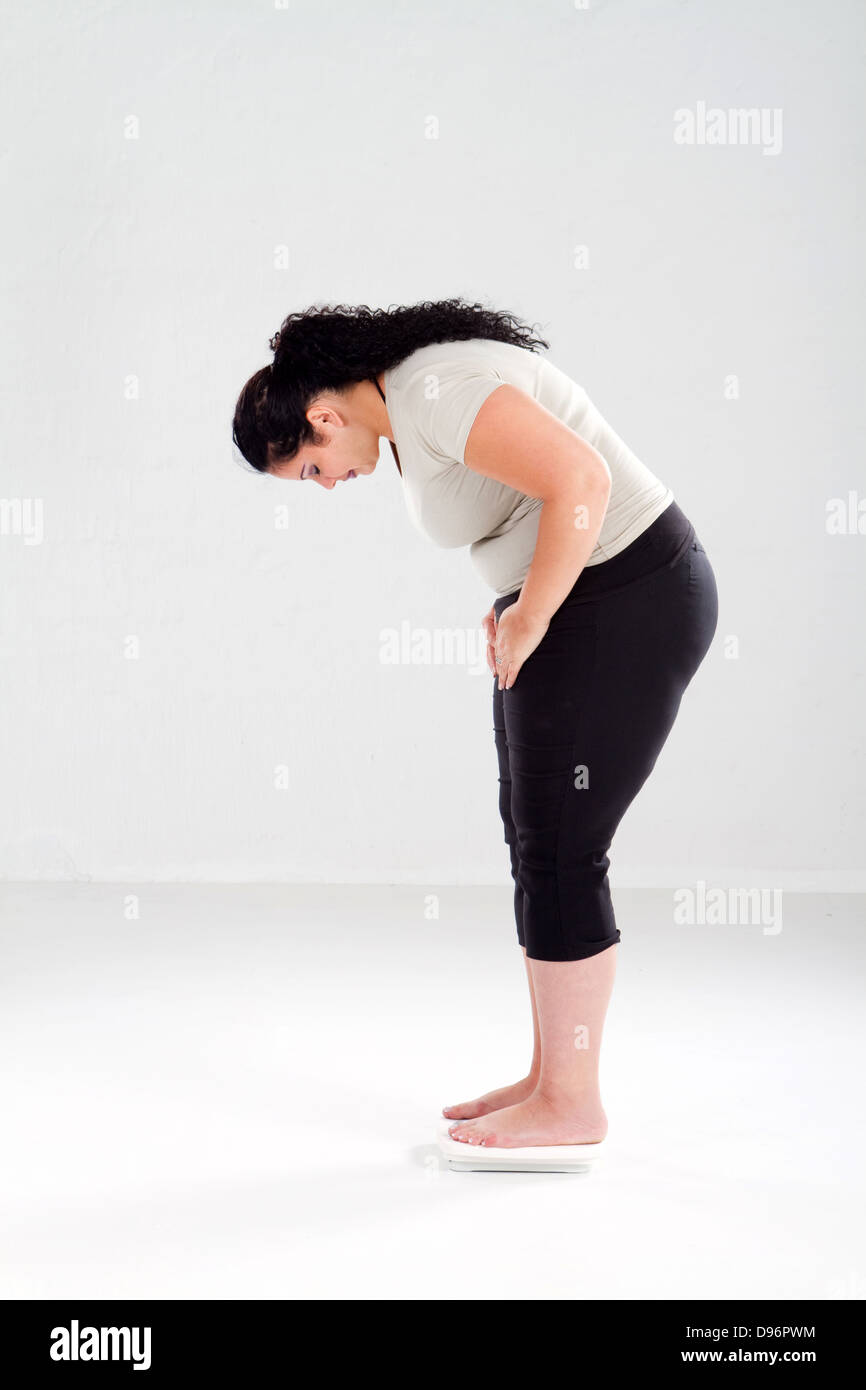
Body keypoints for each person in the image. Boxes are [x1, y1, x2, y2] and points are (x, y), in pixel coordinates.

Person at [232, 297, 718, 1151]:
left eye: (312, 470)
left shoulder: (433, 389)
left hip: (627, 597)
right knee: (536, 841)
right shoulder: (408, 397)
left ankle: (574, 1104)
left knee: (564, 846)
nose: (329, 486)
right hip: (586, 603)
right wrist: (522, 604)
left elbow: (583, 481)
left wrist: (530, 614)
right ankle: (550, 1078)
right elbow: (525, 502)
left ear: (321, 416)